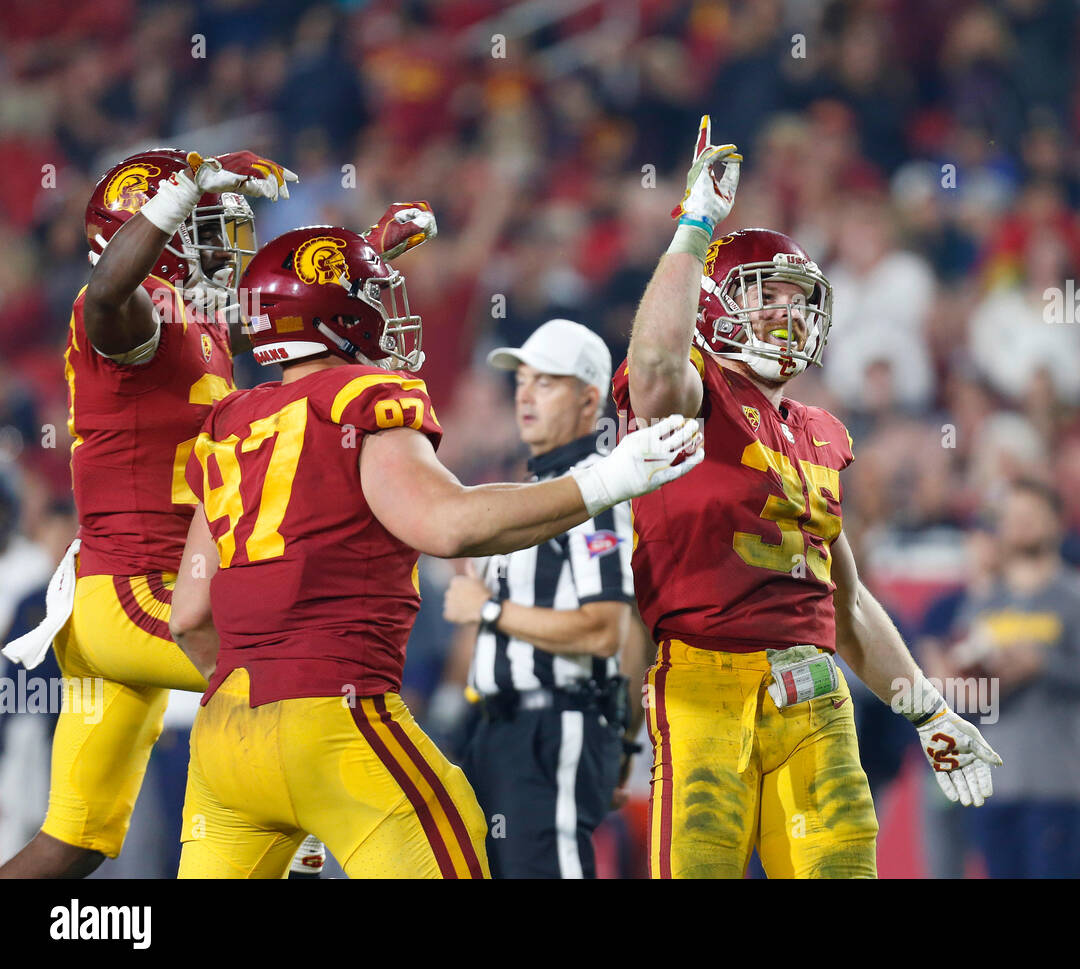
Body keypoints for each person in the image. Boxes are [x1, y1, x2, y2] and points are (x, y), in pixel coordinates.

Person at [170, 226, 702, 878]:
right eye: (368, 294)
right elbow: (449, 524)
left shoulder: (229, 423)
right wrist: (610, 478)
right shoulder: (360, 397)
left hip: (225, 738)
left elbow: (188, 615)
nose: (386, 311)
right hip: (336, 716)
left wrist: (269, 744)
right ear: (337, 314)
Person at [612, 116, 1001, 879]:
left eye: (799, 301)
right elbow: (656, 369)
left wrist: (928, 709)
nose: (790, 316)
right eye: (769, 299)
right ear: (719, 306)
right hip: (705, 679)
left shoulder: (819, 430)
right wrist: (694, 225)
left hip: (816, 691)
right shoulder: (700, 392)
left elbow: (847, 600)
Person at [0, 148, 295, 878]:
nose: (215, 240)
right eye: (195, 222)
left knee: (69, 846)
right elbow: (106, 297)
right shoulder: (127, 309)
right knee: (299, 685)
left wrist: (357, 263)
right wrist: (175, 196)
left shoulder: (197, 319)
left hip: (135, 600)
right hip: (135, 592)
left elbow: (296, 335)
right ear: (150, 227)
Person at [442, 318, 638, 878]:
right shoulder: (532, 493)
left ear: (588, 398)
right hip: (499, 729)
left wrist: (488, 610)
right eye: (522, 380)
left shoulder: (598, 491)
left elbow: (605, 629)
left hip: (554, 723)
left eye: (547, 382)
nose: (525, 394)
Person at [955, 479, 1080, 878]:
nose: (1021, 527)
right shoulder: (983, 601)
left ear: (1056, 524)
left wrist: (1042, 664)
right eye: (1012, 519)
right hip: (994, 785)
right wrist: (966, 680)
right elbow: (965, 695)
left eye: (1031, 517)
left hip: (1058, 783)